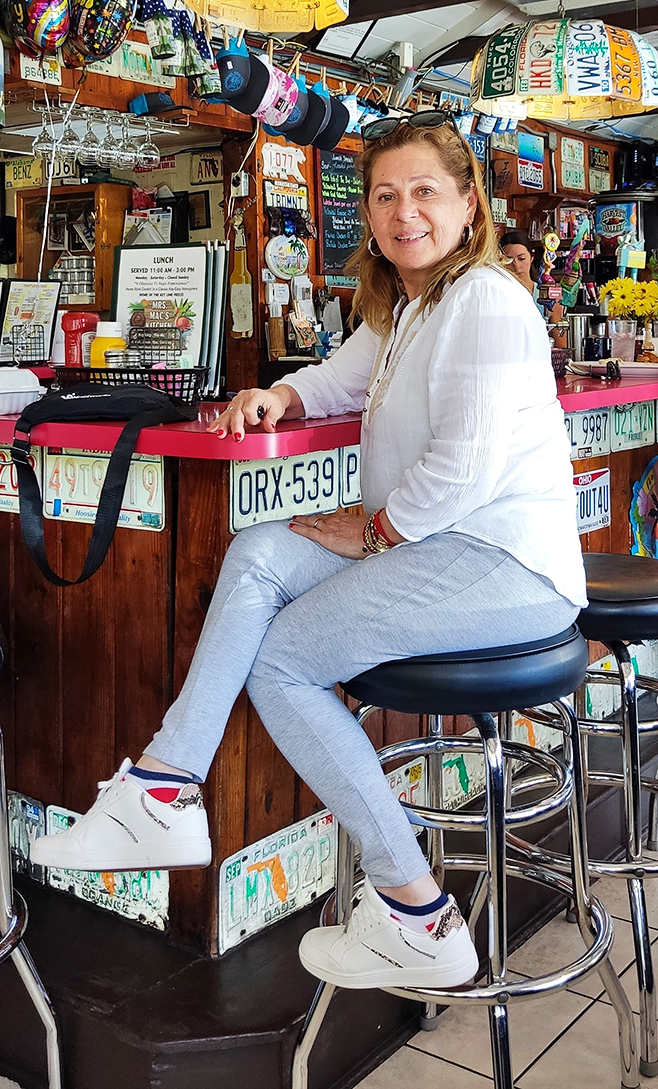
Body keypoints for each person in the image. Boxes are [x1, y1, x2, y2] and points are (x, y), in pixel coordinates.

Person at [32, 112, 586, 993]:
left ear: (469, 203)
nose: (405, 212)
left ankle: (415, 913)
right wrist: (278, 395)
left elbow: (463, 469)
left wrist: (373, 532)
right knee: (260, 552)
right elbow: (341, 374)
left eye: (426, 191)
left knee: (284, 662)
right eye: (385, 194)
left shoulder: (484, 299)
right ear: (365, 210)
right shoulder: (413, 305)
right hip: (444, 551)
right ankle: (162, 791)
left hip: (504, 567)